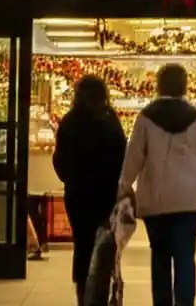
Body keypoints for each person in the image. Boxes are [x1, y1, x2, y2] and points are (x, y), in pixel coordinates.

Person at [119, 64, 196, 306]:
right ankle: (185, 302)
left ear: (159, 85)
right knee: (185, 256)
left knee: (159, 256)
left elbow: (134, 156)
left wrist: (125, 185)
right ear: (184, 85)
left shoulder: (145, 118)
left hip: (156, 197)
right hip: (189, 198)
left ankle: (161, 302)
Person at [53, 75, 128, 306]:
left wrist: (70, 179)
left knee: (82, 244)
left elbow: (60, 159)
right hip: (106, 195)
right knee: (105, 247)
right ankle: (101, 295)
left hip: (78, 195)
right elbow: (122, 156)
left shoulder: (70, 122)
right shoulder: (110, 121)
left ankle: (83, 295)